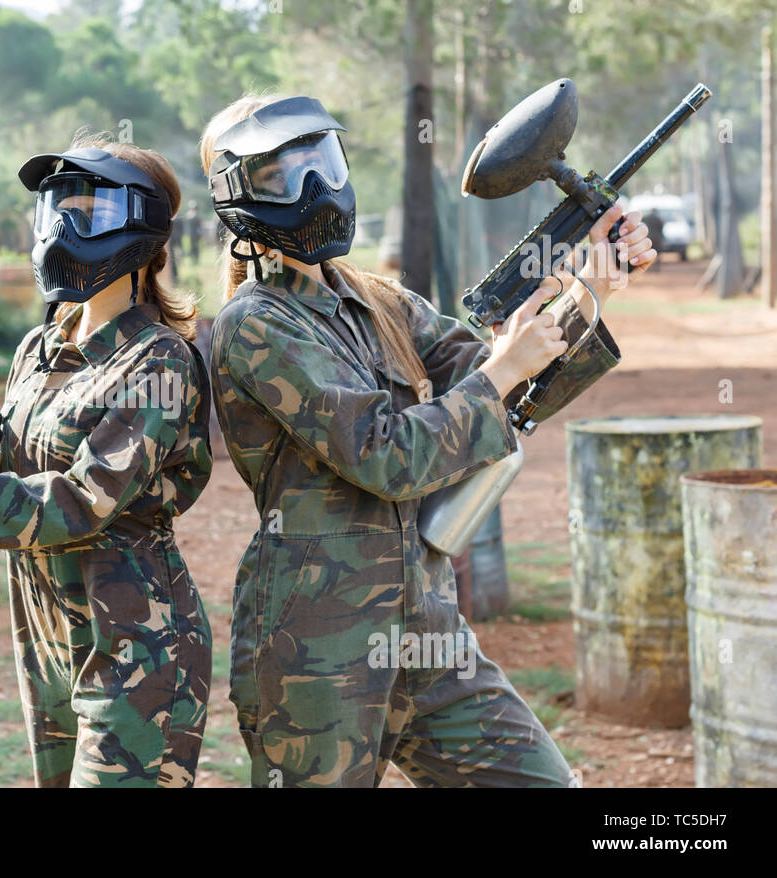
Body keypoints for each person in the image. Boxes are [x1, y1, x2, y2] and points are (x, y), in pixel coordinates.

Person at [200, 95, 658, 788]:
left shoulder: (381, 302)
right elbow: (386, 456)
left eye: (320, 162)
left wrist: (592, 286)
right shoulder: (256, 323)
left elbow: (506, 389)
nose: (313, 189)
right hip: (315, 650)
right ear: (235, 197)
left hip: (425, 627)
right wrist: (507, 366)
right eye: (281, 177)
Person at [0, 136, 213, 787]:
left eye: (88, 212)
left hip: (137, 647)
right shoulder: (39, 347)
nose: (64, 229)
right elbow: (21, 459)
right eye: (57, 209)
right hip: (46, 638)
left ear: (139, 229)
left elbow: (82, 502)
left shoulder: (158, 360)